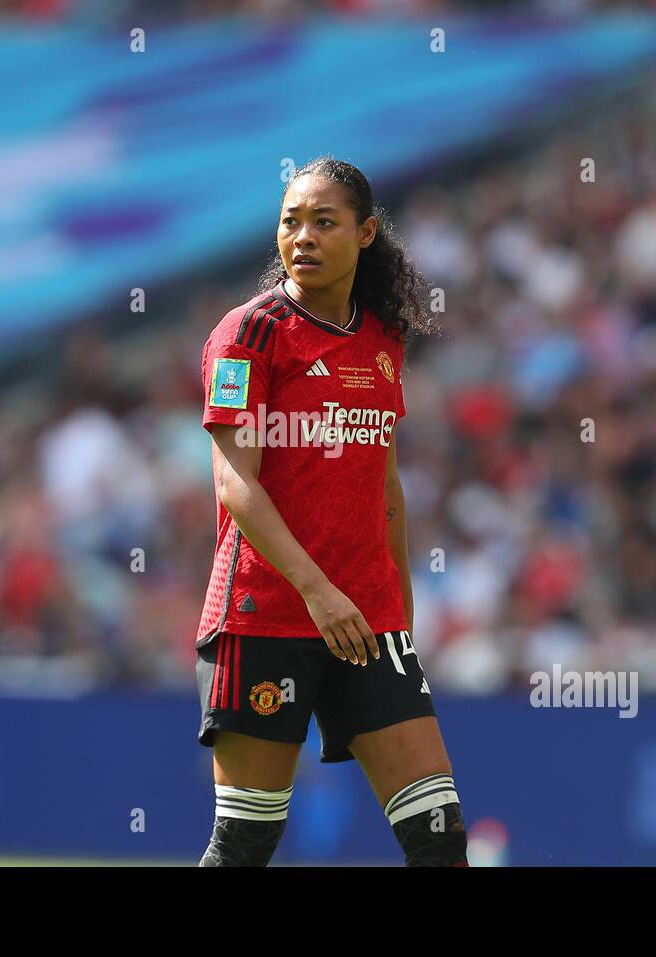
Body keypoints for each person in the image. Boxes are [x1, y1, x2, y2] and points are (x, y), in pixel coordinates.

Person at [194, 156, 464, 866]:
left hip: (368, 623)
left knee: (441, 839)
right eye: (291, 221)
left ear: (366, 232)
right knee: (246, 843)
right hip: (268, 615)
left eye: (324, 221)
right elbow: (233, 482)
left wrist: (397, 615)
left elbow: (387, 489)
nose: (303, 236)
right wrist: (318, 591)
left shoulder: (382, 338)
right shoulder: (248, 334)